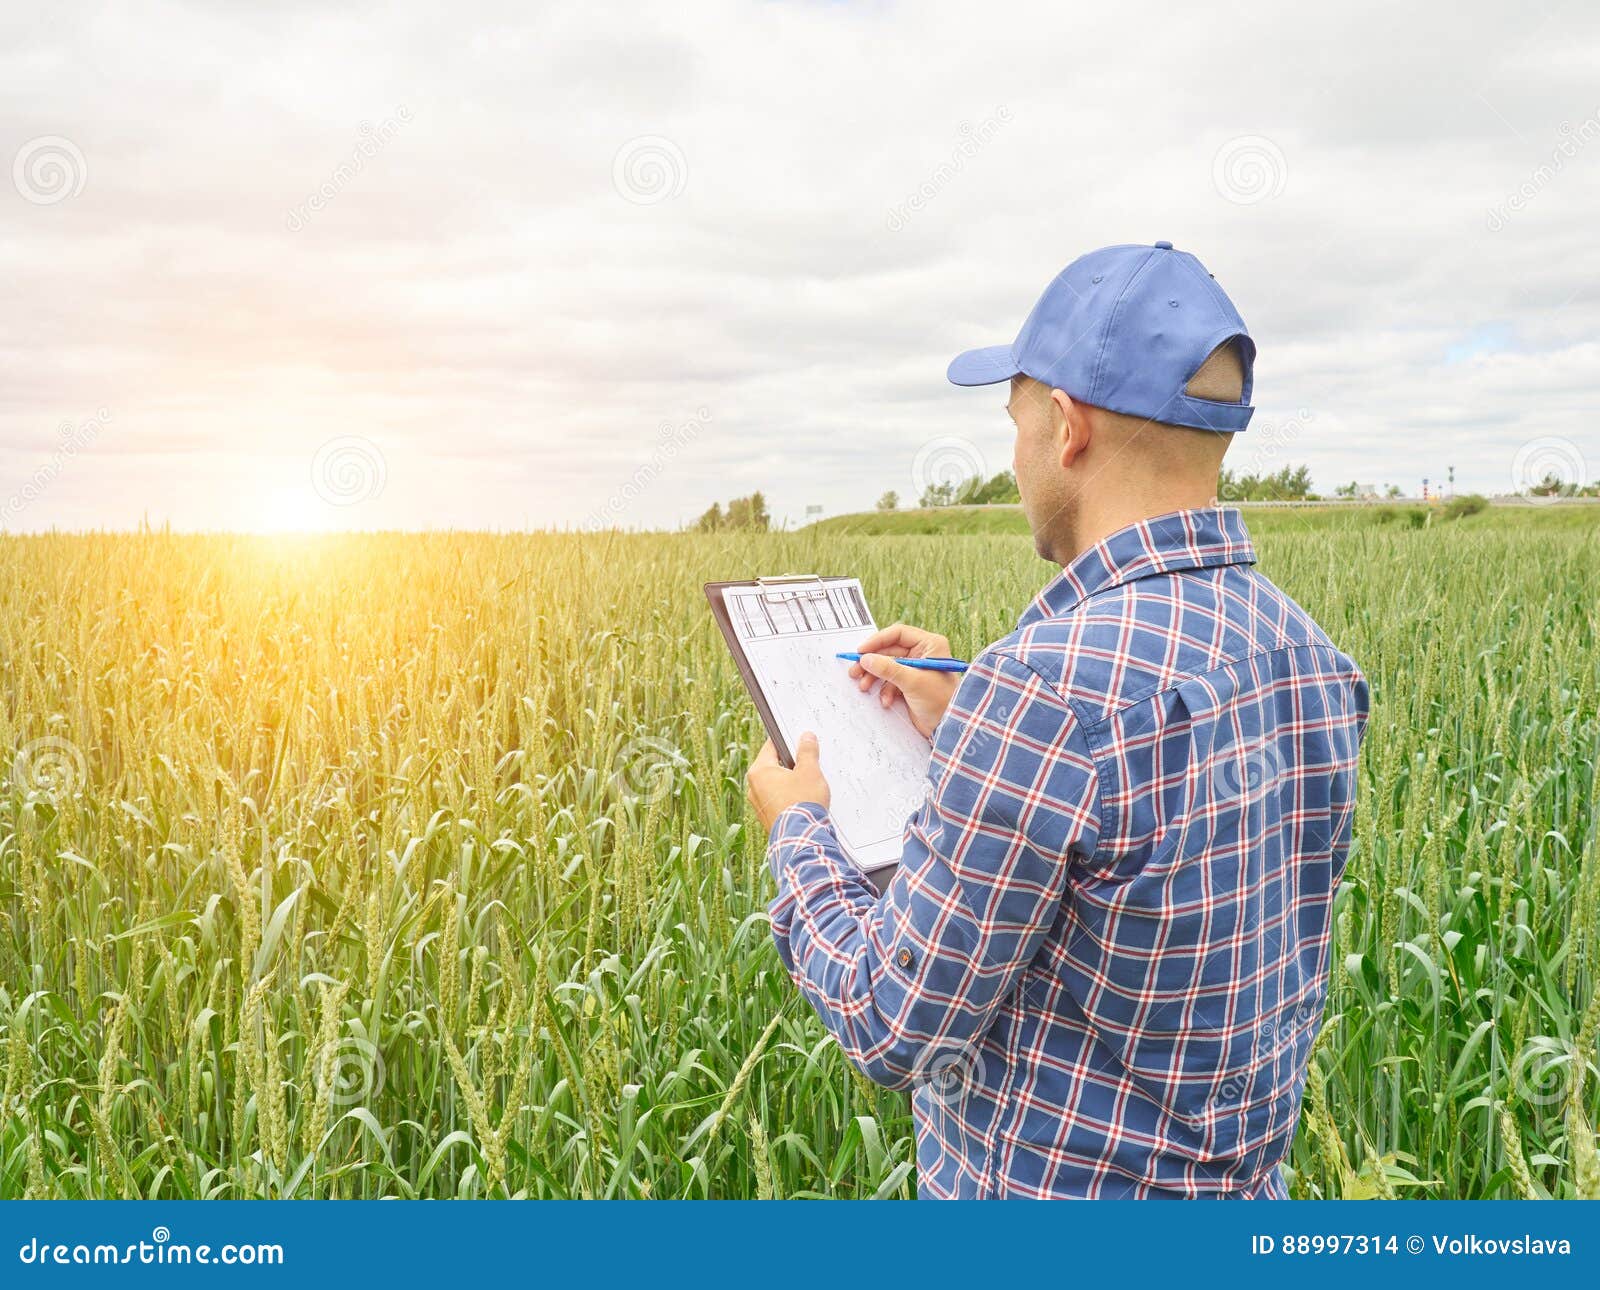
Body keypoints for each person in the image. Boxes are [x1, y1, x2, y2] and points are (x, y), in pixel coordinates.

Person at [745, 241, 1370, 1199]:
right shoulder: (1310, 655)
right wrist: (969, 722)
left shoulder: (1040, 692)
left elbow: (890, 1018)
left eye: (1017, 422)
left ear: (1067, 427)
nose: (1017, 453)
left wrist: (799, 832)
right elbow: (1145, 843)